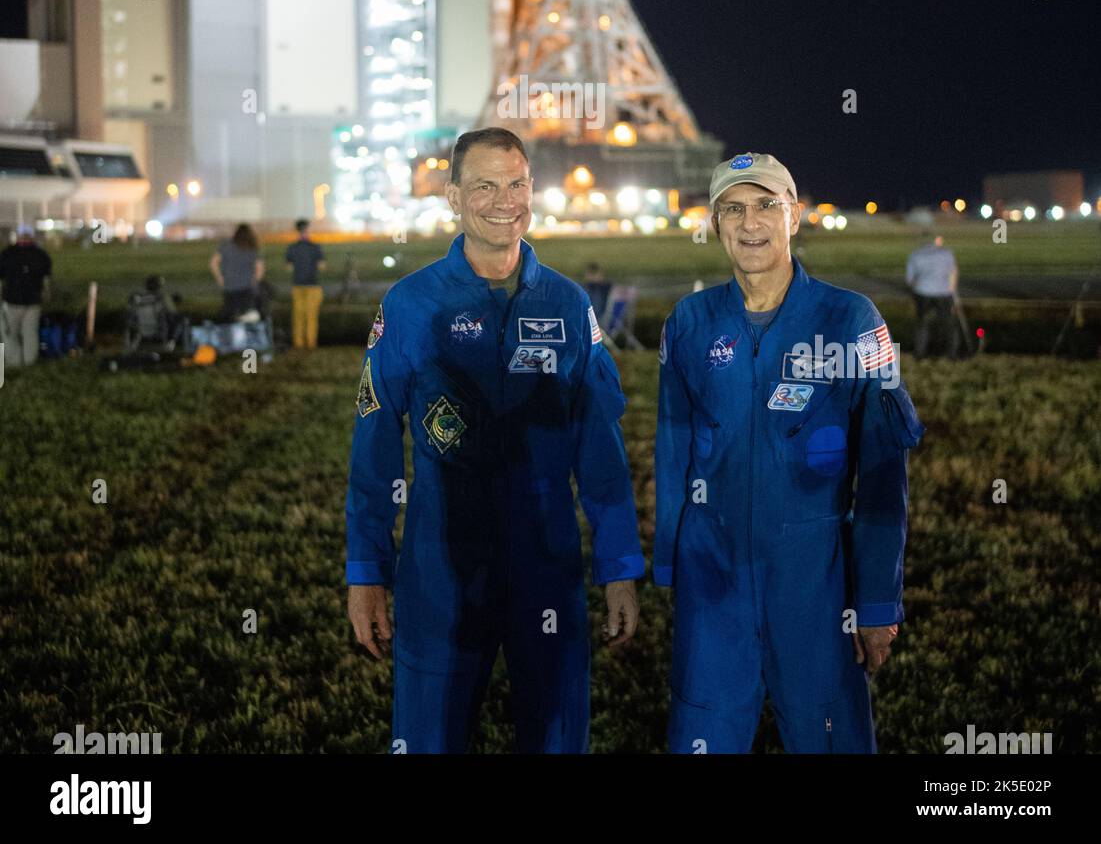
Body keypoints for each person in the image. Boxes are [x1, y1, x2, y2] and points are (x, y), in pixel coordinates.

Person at [345, 127, 644, 754]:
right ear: (453, 196)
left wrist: (618, 567)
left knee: (558, 735)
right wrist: (366, 572)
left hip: (547, 562)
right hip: (440, 566)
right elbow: (373, 453)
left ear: (532, 190)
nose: (503, 200)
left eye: (516, 184)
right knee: (430, 736)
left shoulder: (567, 304)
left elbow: (601, 451)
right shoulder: (409, 304)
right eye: (484, 186)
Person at [655, 152, 925, 754]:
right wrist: (670, 565)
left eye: (765, 206)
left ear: (794, 216)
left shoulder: (852, 319)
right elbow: (673, 452)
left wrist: (877, 598)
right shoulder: (690, 322)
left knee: (830, 736)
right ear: (715, 223)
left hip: (815, 581)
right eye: (733, 209)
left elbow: (884, 472)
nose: (750, 223)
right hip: (713, 579)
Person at [0, 225, 53, 368]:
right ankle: (30, 361)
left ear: (17, 236)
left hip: (12, 301)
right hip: (33, 302)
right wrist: (46, 294)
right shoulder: (41, 254)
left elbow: (1, 278)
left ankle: (14, 362)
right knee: (30, 333)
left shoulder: (7, 253)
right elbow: (46, 279)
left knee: (10, 334)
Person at [906, 234, 960, 360]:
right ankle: (951, 353)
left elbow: (909, 280)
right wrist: (953, 293)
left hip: (922, 292)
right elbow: (953, 273)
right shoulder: (946, 253)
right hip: (943, 292)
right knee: (948, 323)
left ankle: (919, 353)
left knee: (922, 323)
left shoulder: (915, 255)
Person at [285, 218, 326, 350]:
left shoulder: (292, 248)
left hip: (297, 285)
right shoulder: (315, 247)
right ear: (308, 229)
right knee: (311, 317)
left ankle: (298, 344)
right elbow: (322, 266)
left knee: (298, 317)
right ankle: (311, 344)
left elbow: (289, 268)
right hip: (313, 286)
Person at [210, 224, 264, 322]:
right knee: (246, 316)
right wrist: (255, 281)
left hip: (229, 286)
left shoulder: (226, 245)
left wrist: (219, 277)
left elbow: (214, 262)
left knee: (230, 315)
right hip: (247, 287)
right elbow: (259, 267)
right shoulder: (252, 247)